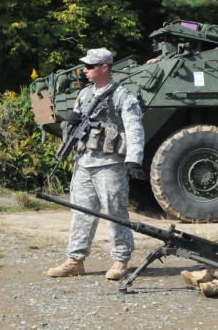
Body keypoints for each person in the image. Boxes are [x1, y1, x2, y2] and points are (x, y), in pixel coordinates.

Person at [46, 48, 145, 282]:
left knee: (115, 212)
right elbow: (76, 121)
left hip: (110, 164)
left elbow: (134, 128)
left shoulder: (123, 96)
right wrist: (71, 123)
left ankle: (121, 260)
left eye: (91, 66)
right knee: (80, 211)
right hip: (84, 162)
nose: (85, 70)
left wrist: (133, 159)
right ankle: (75, 260)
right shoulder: (85, 94)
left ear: (104, 67)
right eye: (86, 66)